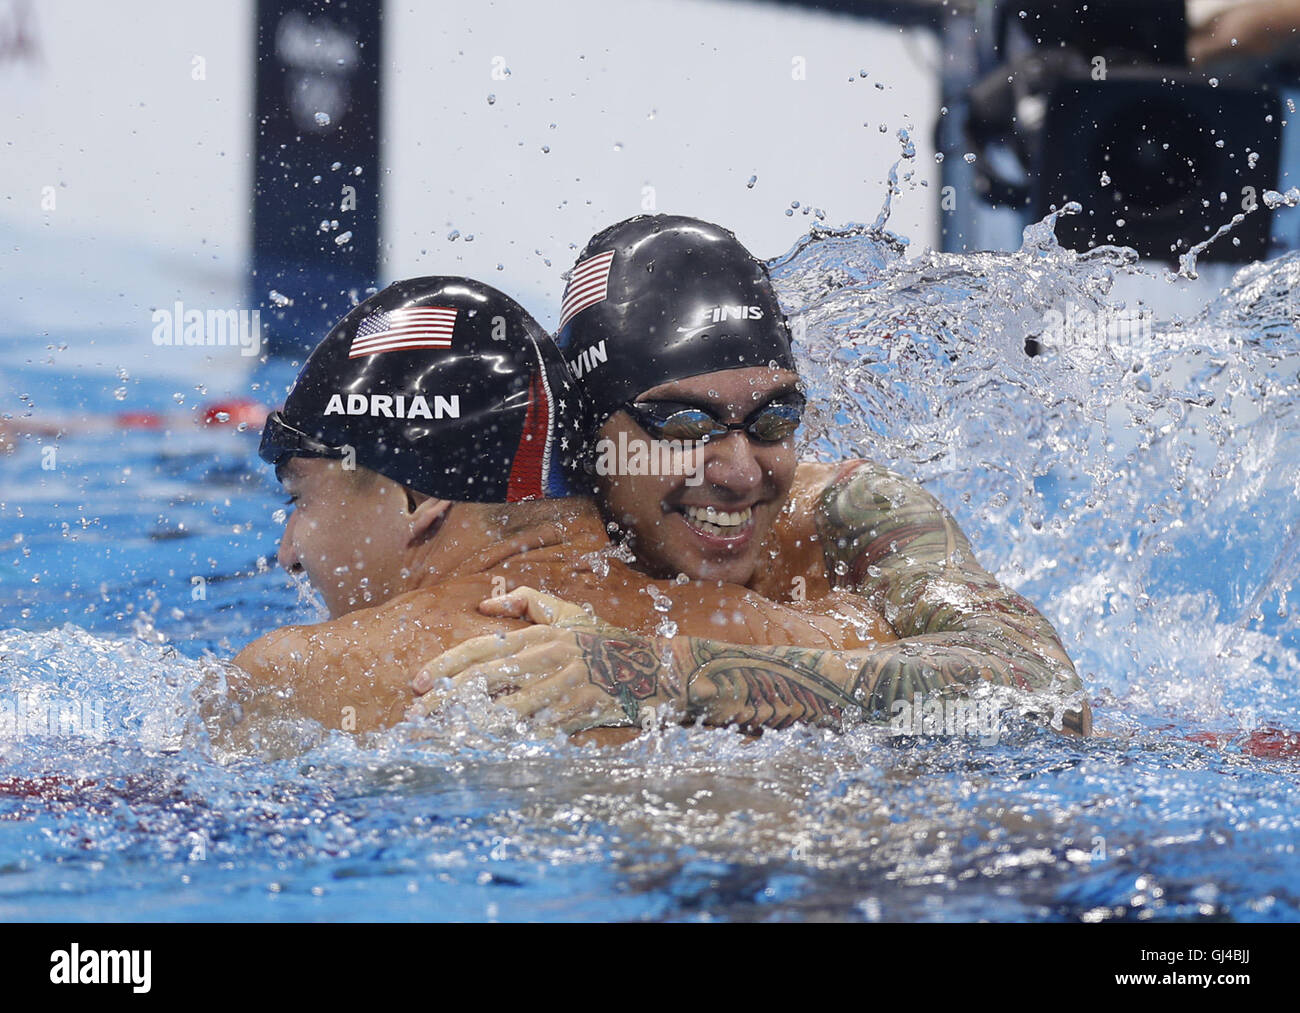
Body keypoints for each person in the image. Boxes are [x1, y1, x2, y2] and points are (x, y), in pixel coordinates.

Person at [412, 216, 1092, 737]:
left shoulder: (848, 512)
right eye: (683, 424)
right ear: (590, 438)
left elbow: (1046, 693)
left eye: (774, 418)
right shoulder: (517, 543)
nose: (740, 473)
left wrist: (665, 675)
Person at [232, 275, 897, 740]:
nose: (289, 549)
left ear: (419, 499)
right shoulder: (792, 635)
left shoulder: (294, 681)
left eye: (300, 498)